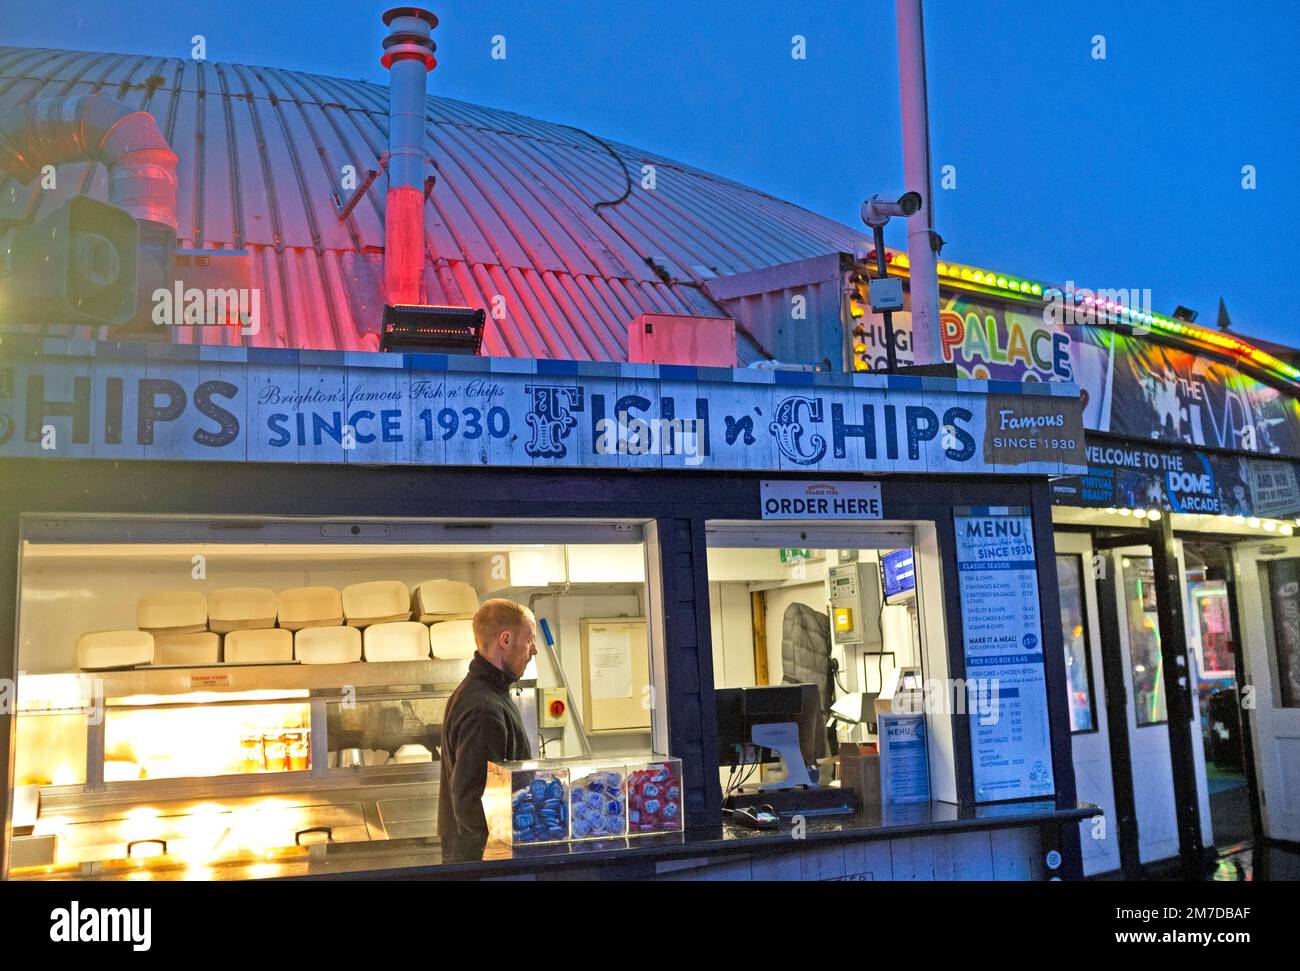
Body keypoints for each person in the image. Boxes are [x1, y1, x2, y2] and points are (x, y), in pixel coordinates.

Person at [437, 598, 537, 843]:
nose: (533, 650)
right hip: (488, 862)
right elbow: (472, 805)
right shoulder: (484, 708)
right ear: (505, 640)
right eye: (529, 640)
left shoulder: (484, 693)